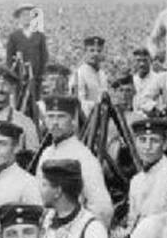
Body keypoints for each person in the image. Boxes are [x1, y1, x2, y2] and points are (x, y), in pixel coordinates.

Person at [34, 95, 114, 224]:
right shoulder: (46, 153)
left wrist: (85, 233)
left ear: (72, 120)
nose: (55, 122)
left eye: (61, 117)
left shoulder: (83, 156)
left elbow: (102, 208)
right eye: (50, 116)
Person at [126, 116, 167, 229]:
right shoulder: (136, 181)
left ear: (165, 144)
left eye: (154, 140)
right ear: (135, 143)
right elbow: (133, 221)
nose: (147, 147)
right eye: (142, 140)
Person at [0, 66, 39, 153]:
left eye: (5, 84)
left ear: (12, 88)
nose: (0, 89)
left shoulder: (25, 123)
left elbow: (32, 157)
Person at [5, 4, 48, 92]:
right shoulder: (14, 36)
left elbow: (44, 57)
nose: (26, 18)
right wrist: (13, 75)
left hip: (36, 77)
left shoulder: (39, 36)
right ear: (19, 18)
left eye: (29, 15)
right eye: (24, 15)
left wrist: (41, 74)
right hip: (19, 78)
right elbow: (9, 58)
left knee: (36, 100)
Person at [70, 35, 107, 110]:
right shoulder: (79, 74)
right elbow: (79, 102)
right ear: (85, 52)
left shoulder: (102, 74)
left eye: (99, 51)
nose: (95, 54)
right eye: (92, 50)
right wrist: (100, 106)